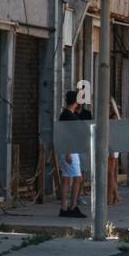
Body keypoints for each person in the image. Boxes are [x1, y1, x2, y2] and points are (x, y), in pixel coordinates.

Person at [57, 90, 85, 218]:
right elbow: (65, 135)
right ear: (76, 101)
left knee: (66, 179)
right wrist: (68, 151)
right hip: (69, 150)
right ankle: (73, 206)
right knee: (78, 178)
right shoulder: (69, 116)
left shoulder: (66, 114)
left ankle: (64, 208)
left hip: (67, 149)